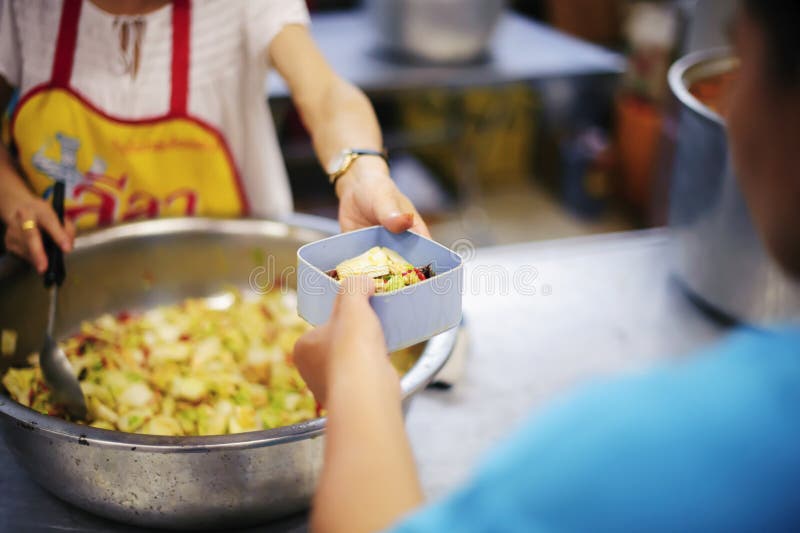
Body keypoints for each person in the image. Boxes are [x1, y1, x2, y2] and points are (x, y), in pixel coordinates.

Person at [292, 1, 800, 531]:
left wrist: (353, 370)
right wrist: (360, 170)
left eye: (740, 61)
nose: (733, 103)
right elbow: (322, 84)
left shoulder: (631, 457)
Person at [0, 0, 427, 273]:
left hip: (245, 283)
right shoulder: (21, 12)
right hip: (68, 283)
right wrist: (16, 202)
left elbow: (324, 93)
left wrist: (362, 173)